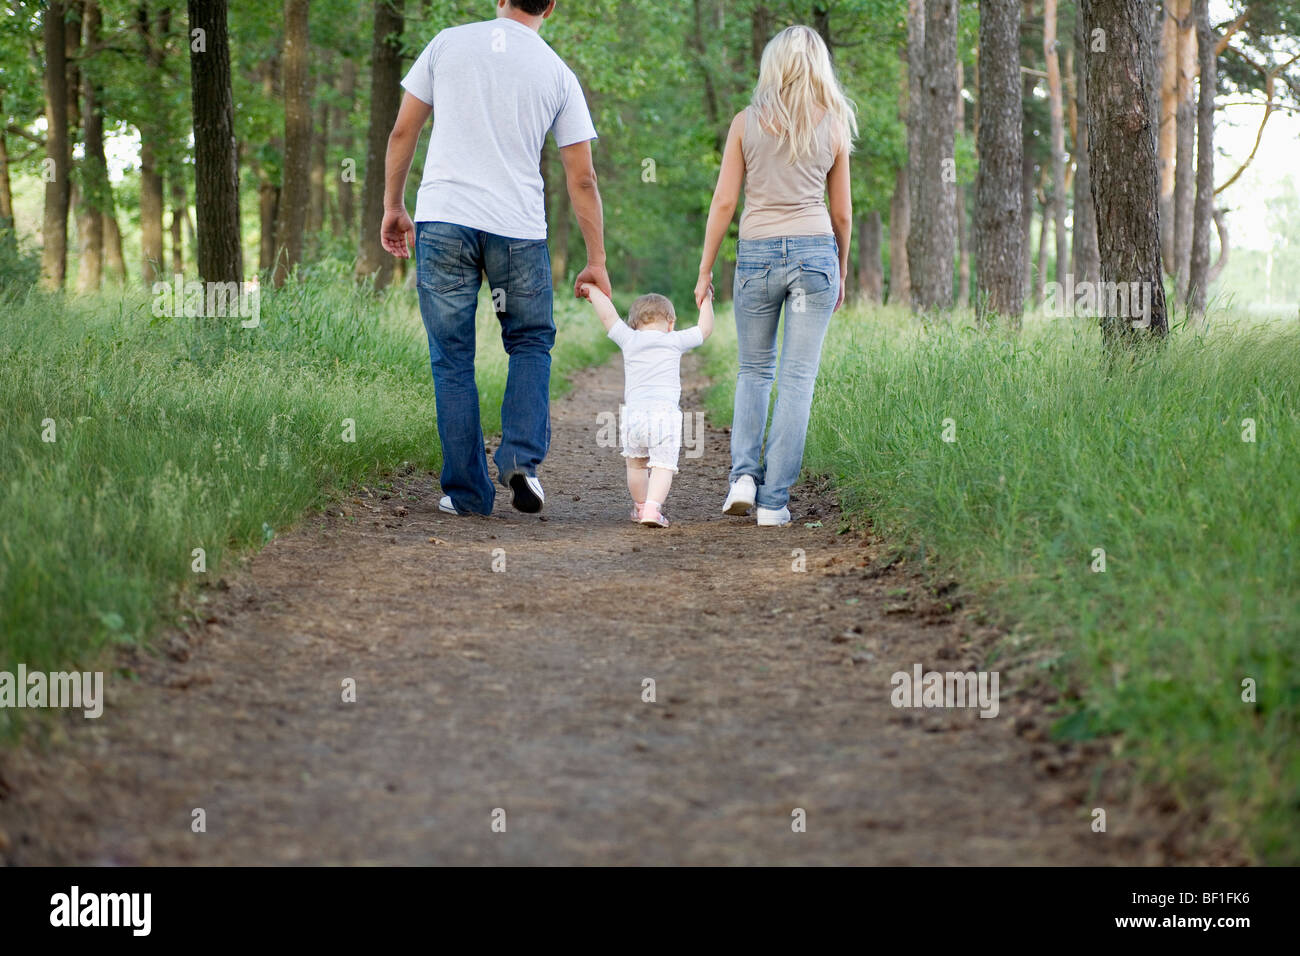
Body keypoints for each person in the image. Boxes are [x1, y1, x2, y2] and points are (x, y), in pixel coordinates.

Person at [380, 0, 612, 516]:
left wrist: (394, 206)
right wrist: (596, 258)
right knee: (530, 343)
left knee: (452, 358)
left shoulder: (447, 43)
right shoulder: (557, 72)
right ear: (550, 6)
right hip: (518, 231)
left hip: (443, 219)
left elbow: (402, 132)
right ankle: (521, 461)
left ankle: (467, 495)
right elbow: (582, 178)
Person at [695, 25, 856, 527]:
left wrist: (705, 270)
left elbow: (724, 202)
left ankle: (743, 477)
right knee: (797, 380)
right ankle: (774, 503)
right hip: (814, 258)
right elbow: (843, 214)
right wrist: (842, 266)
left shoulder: (746, 122)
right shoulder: (833, 125)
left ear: (773, 65)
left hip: (757, 254)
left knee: (754, 370)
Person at [579, 285, 714, 528]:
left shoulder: (629, 338)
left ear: (633, 324)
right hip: (664, 416)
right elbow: (705, 329)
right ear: (670, 322)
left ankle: (640, 506)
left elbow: (608, 316)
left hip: (634, 416)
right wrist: (706, 299)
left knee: (637, 464)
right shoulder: (674, 340)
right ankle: (653, 508)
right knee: (662, 466)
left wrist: (593, 291)